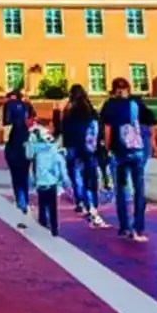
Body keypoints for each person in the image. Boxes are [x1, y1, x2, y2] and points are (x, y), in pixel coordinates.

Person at [100, 78, 149, 242]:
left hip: (119, 153)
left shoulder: (109, 105)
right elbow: (149, 124)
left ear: (113, 90)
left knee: (121, 190)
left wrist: (107, 148)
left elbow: (107, 130)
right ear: (128, 89)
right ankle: (139, 227)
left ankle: (125, 227)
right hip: (137, 151)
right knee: (139, 189)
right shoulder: (136, 104)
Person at [61, 84, 109, 228]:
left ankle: (80, 200)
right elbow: (98, 127)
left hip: (72, 145)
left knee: (75, 174)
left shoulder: (69, 110)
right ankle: (92, 203)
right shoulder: (90, 109)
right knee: (90, 174)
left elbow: (62, 128)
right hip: (88, 147)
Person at [26, 124, 71, 236]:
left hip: (41, 183)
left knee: (42, 204)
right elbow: (62, 168)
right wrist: (65, 181)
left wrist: (33, 181)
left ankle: (42, 223)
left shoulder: (38, 153)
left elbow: (32, 164)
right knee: (53, 207)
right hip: (52, 183)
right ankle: (54, 228)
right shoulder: (56, 154)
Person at [2, 89, 33, 219]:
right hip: (26, 143)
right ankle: (25, 200)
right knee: (24, 174)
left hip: (13, 144)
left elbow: (7, 123)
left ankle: (21, 203)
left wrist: (5, 139)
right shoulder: (28, 106)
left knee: (15, 175)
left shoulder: (8, 105)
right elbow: (32, 123)